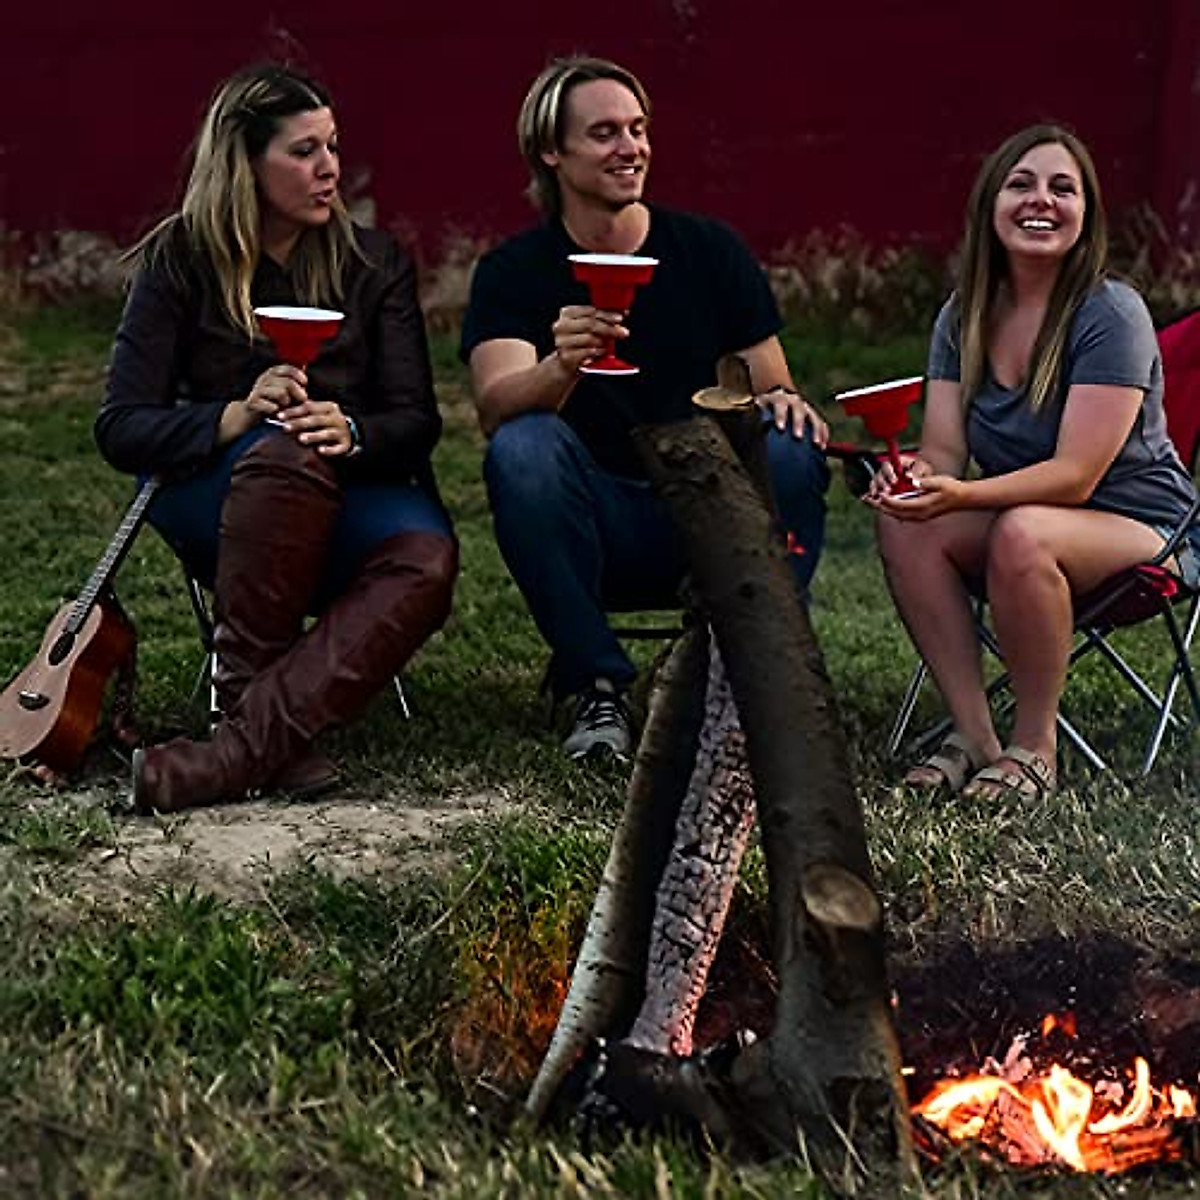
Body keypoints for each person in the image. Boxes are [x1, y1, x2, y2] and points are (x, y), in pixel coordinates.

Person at [96, 63, 458, 813]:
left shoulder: (374, 261)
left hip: (354, 487)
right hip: (218, 494)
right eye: (303, 151)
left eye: (332, 146)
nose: (329, 168)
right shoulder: (180, 259)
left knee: (426, 558)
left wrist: (352, 429)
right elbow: (121, 426)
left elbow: (417, 420)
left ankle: (235, 748)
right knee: (283, 458)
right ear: (245, 164)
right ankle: (257, 735)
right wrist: (231, 416)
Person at [460, 55, 830, 761]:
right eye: (604, 133)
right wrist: (559, 366)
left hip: (708, 511)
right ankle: (597, 684)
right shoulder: (513, 272)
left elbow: (772, 384)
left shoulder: (707, 251)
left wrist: (785, 403)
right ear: (551, 151)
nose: (631, 148)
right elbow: (495, 409)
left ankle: (746, 668)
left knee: (788, 445)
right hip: (593, 524)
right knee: (524, 448)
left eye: (638, 129)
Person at [870, 123, 1200, 800]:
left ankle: (1035, 747)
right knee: (906, 523)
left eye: (1062, 188)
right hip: (1033, 520)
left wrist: (959, 496)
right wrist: (915, 480)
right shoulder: (963, 316)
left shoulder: (1112, 312)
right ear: (990, 206)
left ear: (1087, 213)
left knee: (1024, 530)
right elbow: (941, 452)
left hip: (1147, 527)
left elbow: (1077, 476)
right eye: (1020, 184)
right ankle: (974, 737)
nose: (1040, 201)